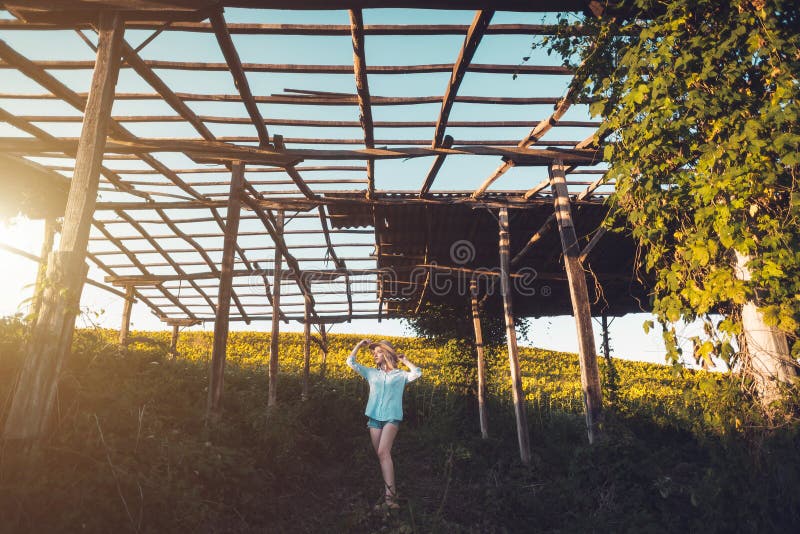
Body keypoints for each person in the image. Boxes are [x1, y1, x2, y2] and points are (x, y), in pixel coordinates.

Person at [346, 338, 422, 509]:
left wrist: (404, 360)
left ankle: (390, 500)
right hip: (374, 419)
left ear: (386, 353)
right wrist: (359, 344)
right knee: (382, 456)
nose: (374, 355)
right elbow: (350, 362)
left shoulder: (400, 375)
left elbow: (417, 372)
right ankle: (390, 491)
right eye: (373, 353)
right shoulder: (371, 373)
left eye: (378, 352)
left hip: (391, 418)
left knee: (383, 452)